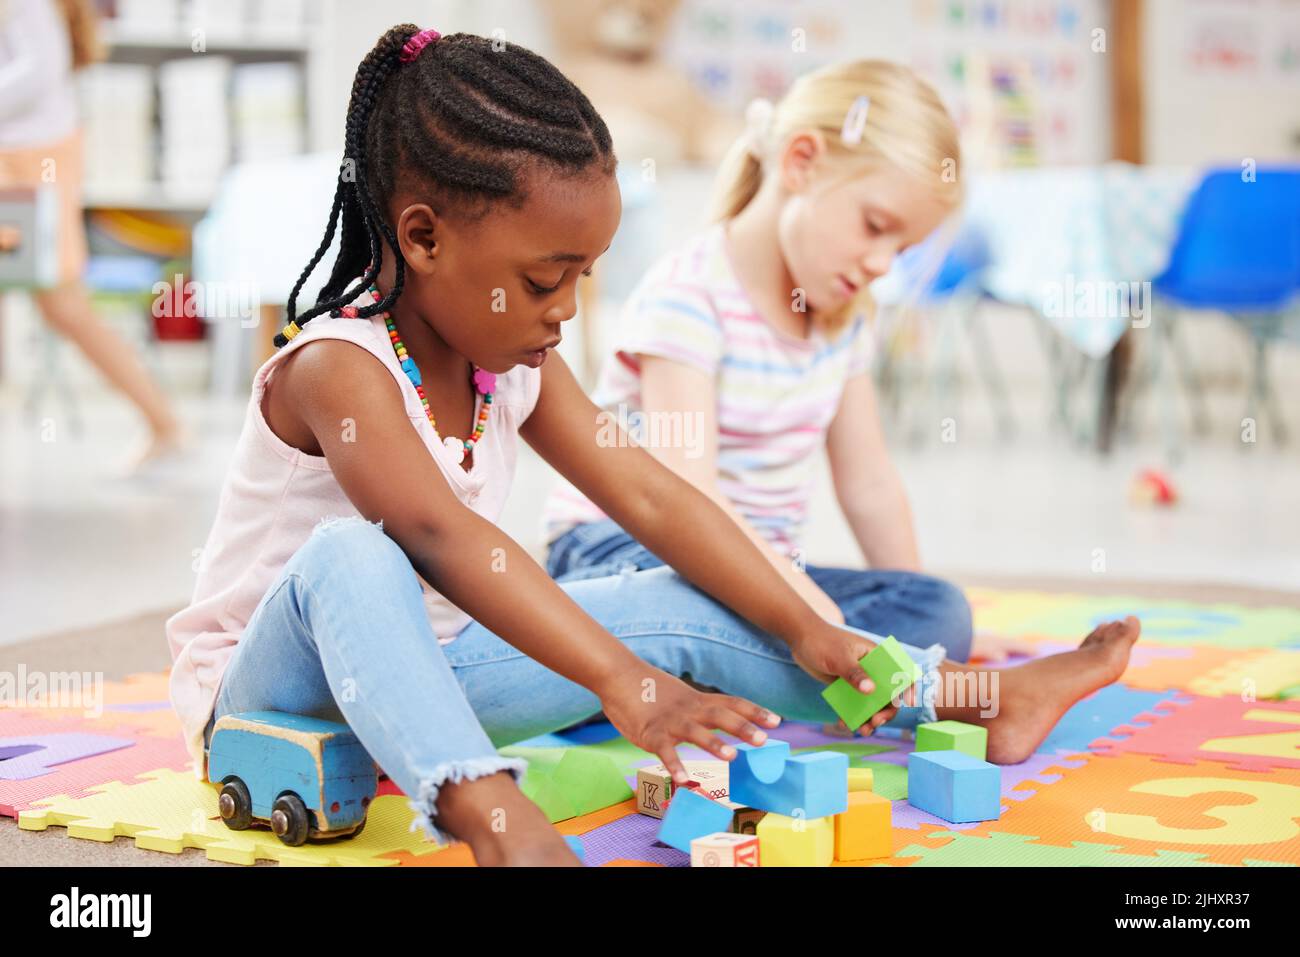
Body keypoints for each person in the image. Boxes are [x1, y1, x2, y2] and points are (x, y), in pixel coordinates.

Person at [166, 27, 1140, 867]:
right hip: (272, 698)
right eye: (545, 280)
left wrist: (805, 624)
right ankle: (492, 812)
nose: (568, 312)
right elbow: (439, 538)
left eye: (581, 277)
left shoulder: (515, 363)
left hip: (431, 671)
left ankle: (972, 695)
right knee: (354, 552)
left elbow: (655, 499)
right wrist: (620, 681)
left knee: (685, 597)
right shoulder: (337, 367)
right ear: (423, 238)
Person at [545, 61, 974, 669]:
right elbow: (687, 494)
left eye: (899, 249)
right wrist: (812, 620)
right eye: (875, 227)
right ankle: (728, 665)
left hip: (754, 580)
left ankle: (738, 671)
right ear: (802, 162)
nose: (883, 264)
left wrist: (914, 639)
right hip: (627, 551)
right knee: (699, 609)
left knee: (940, 613)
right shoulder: (689, 296)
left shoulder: (845, 317)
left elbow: (869, 482)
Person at [0, 0, 184, 470]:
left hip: (28, 168)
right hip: (26, 163)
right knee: (65, 308)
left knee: (65, 307)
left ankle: (165, 424)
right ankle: (165, 423)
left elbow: (38, 74)